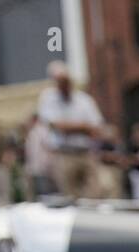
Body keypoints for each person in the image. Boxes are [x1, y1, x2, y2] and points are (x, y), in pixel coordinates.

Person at [37, 60, 104, 199]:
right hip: (64, 155)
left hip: (85, 153)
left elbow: (96, 129)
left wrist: (70, 127)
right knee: (70, 197)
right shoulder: (48, 98)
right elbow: (57, 126)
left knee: (95, 195)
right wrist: (84, 127)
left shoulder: (84, 100)